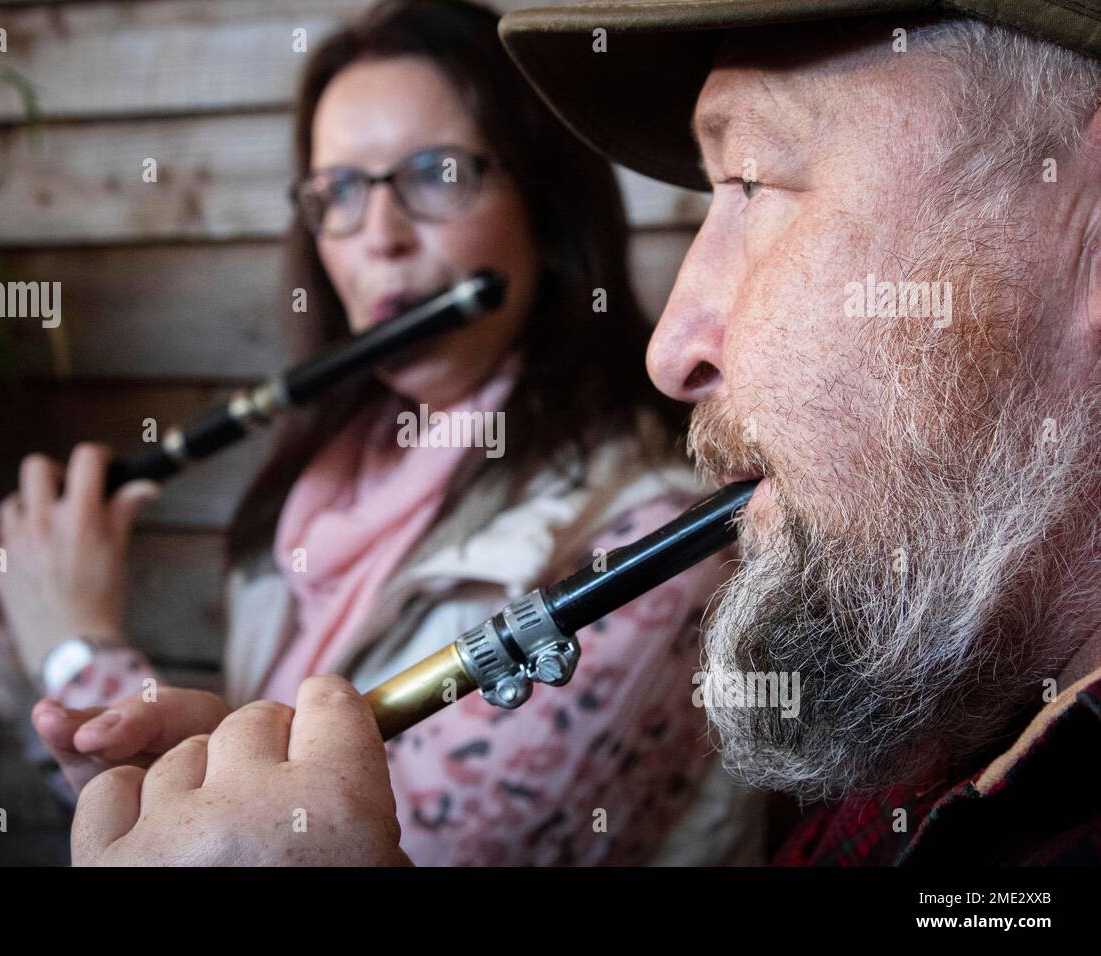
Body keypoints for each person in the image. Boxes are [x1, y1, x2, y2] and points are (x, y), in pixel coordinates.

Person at [68, 0, 1101, 867]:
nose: (675, 346)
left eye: (749, 180)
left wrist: (71, 644)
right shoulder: (953, 728)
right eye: (337, 193)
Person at [0, 0, 764, 866]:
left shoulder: (655, 537)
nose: (379, 234)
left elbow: (388, 848)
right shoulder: (322, 484)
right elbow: (207, 836)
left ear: (550, 209)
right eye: (338, 190)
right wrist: (36, 680)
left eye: (437, 174)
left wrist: (79, 647)